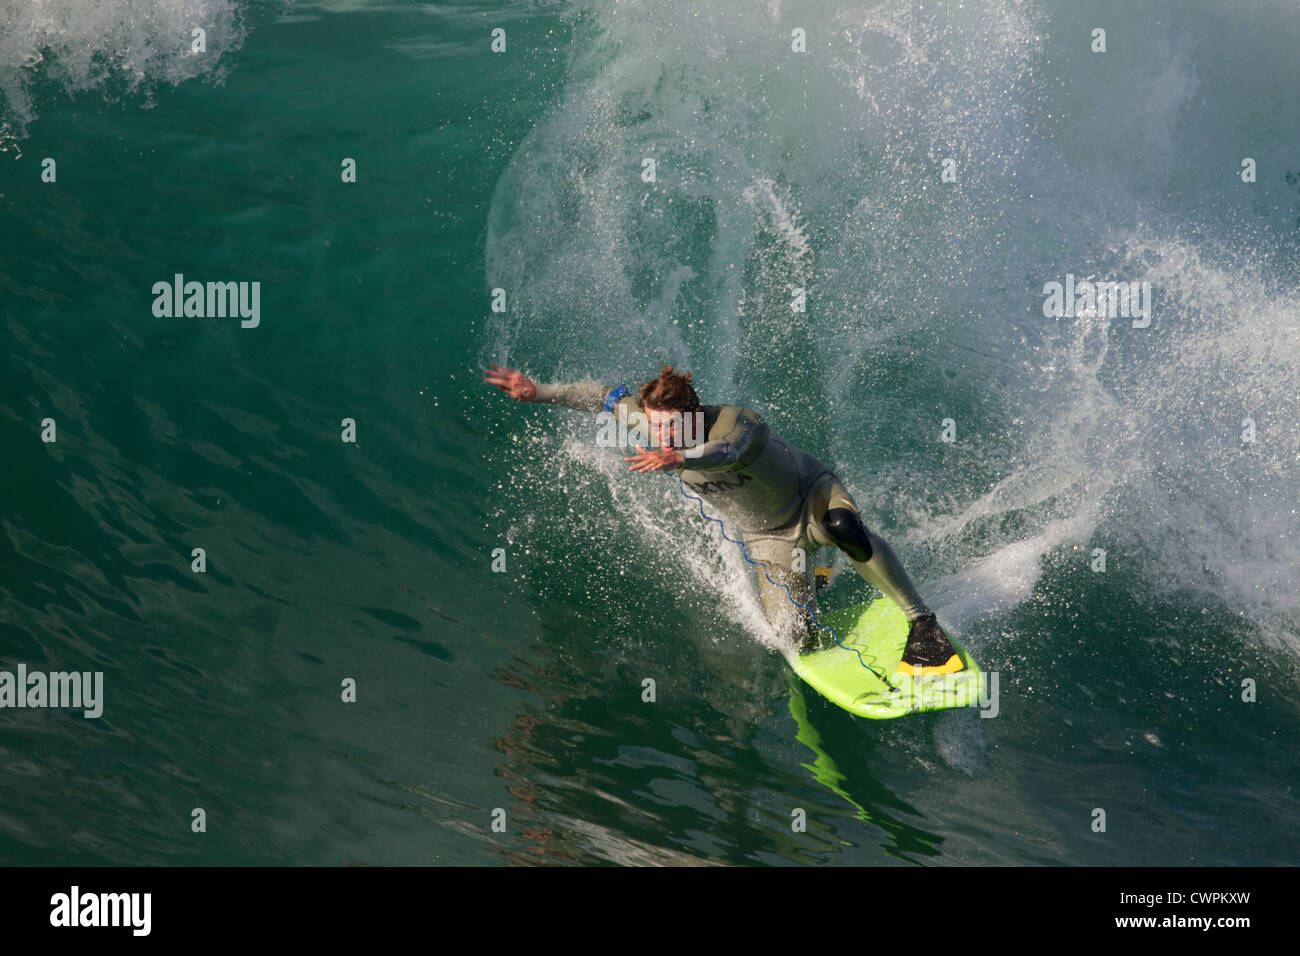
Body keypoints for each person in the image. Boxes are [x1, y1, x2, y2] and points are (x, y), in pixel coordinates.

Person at [484, 363, 963, 675]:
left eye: (671, 428)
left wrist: (680, 461)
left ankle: (924, 626)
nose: (661, 437)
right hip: (768, 537)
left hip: (810, 496)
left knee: (845, 531)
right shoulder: (651, 422)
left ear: (693, 413)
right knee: (794, 638)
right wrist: (540, 391)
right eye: (655, 428)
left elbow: (726, 452)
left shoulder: (738, 423)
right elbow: (604, 395)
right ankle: (813, 576)